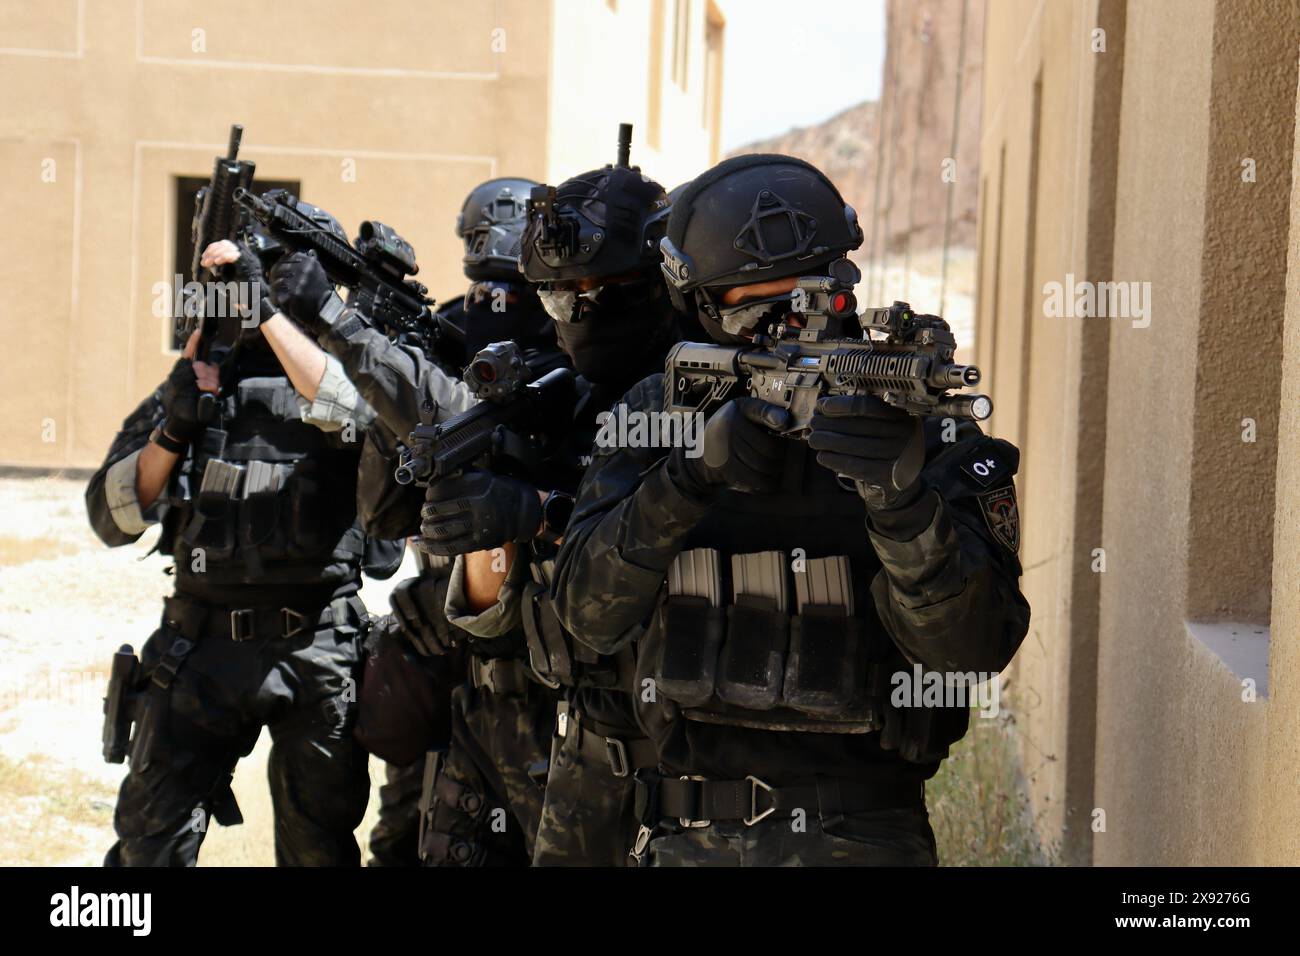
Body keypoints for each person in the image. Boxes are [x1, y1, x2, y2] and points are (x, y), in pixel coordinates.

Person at [550, 153, 1032, 866]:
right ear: (703, 310)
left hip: (865, 834)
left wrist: (900, 505)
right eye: (755, 310)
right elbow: (587, 615)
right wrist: (688, 476)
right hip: (686, 831)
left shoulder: (925, 429)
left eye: (812, 300)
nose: (788, 327)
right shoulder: (659, 413)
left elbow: (974, 649)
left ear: (845, 289)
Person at [86, 205, 404, 866]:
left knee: (318, 847)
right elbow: (112, 517)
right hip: (199, 646)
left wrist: (269, 316)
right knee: (152, 845)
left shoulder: (339, 375)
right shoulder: (200, 383)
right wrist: (174, 428)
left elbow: (354, 414)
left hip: (317, 644)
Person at [269, 177, 561, 866]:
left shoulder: (565, 350)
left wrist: (352, 335)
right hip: (444, 663)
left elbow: (475, 424)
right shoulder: (451, 334)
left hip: (535, 671)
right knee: (408, 841)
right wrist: (389, 391)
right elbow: (385, 511)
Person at [419, 133, 686, 866]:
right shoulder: (550, 393)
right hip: (574, 733)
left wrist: (545, 509)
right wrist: (489, 520)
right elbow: (488, 614)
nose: (580, 310)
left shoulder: (702, 389)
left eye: (608, 292)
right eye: (560, 294)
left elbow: (668, 538)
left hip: (694, 736)